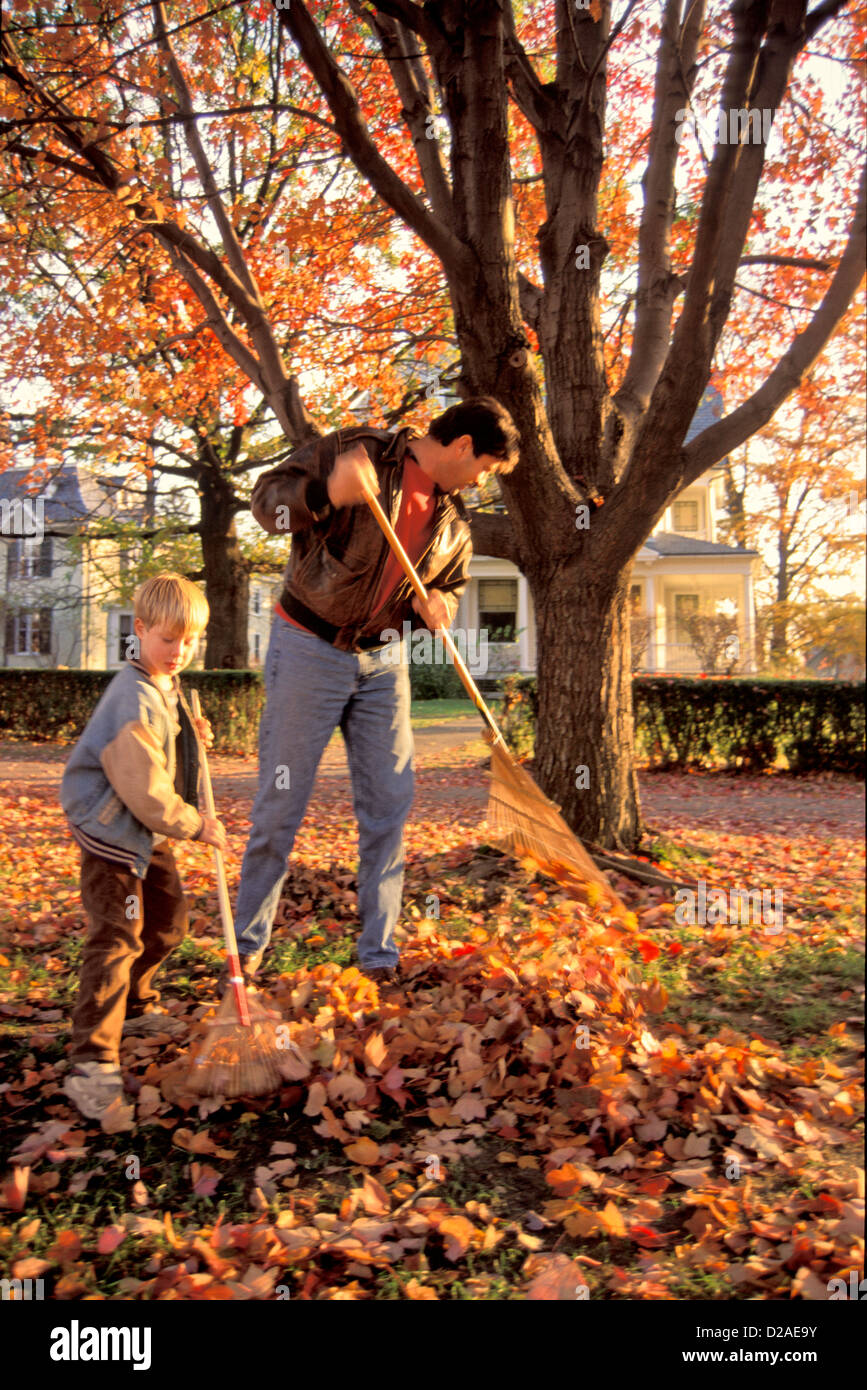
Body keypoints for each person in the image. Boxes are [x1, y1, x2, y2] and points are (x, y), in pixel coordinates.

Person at [230, 396, 520, 990]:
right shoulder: (356, 451)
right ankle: (245, 951)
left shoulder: (454, 525)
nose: (482, 480)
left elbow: (450, 586)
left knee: (389, 807)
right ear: (463, 446)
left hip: (384, 664)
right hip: (309, 645)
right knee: (280, 806)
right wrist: (327, 496)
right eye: (486, 467)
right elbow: (266, 507)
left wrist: (440, 605)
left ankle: (378, 954)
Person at [59, 574, 226, 1125]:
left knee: (168, 924)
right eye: (168, 639)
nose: (180, 651)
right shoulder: (130, 697)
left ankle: (135, 1003)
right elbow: (145, 789)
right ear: (140, 631)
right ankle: (91, 1062)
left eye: (190, 640)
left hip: (144, 836)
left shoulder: (161, 684)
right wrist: (196, 825)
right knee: (116, 938)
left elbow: (165, 742)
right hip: (113, 835)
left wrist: (189, 730)